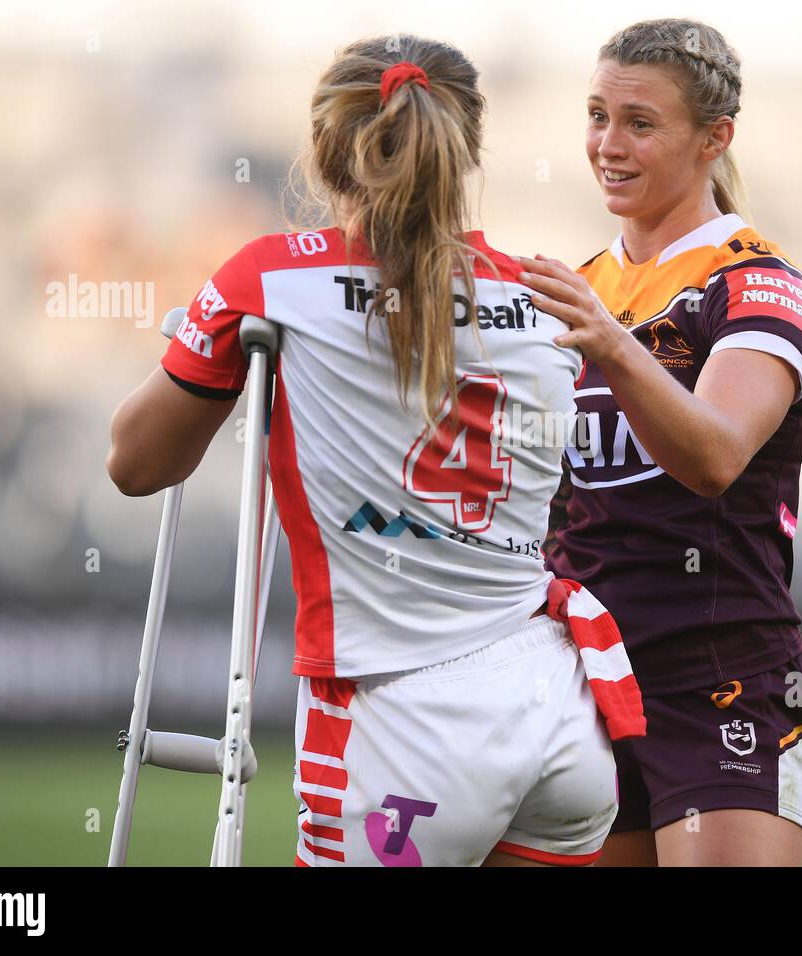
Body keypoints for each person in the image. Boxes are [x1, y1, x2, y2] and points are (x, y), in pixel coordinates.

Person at [106, 35, 643, 868]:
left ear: (326, 153)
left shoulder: (272, 278)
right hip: (560, 711)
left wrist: (192, 342)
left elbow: (136, 465)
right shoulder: (551, 296)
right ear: (467, 150)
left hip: (403, 727)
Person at [518, 18, 802, 866]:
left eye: (639, 123)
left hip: (720, 678)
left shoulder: (755, 285)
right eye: (596, 116)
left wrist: (612, 346)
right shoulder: (581, 287)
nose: (606, 144)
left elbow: (715, 456)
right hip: (582, 674)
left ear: (713, 138)